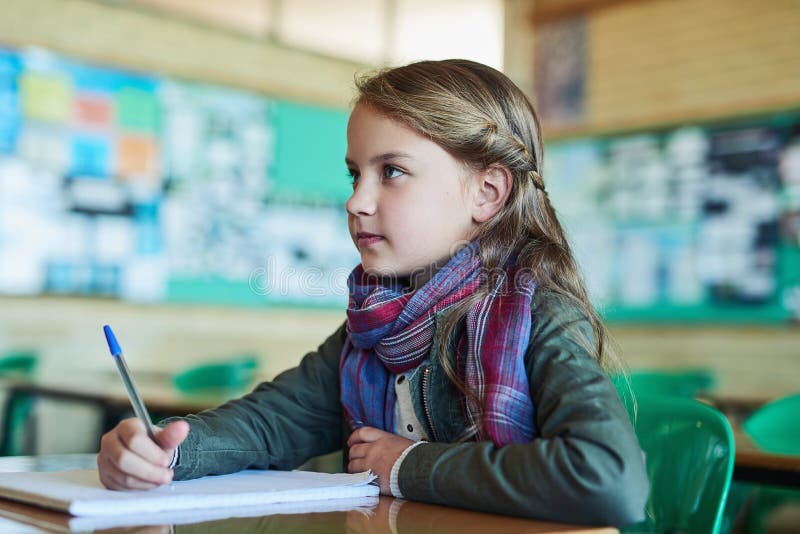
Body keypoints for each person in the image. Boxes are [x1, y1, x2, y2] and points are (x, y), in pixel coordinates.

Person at [97, 59, 649, 526]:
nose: (356, 201)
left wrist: (408, 465)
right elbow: (273, 422)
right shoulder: (377, 319)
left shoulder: (539, 314)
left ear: (486, 193)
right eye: (354, 174)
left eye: (392, 172)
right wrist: (162, 450)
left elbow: (608, 479)